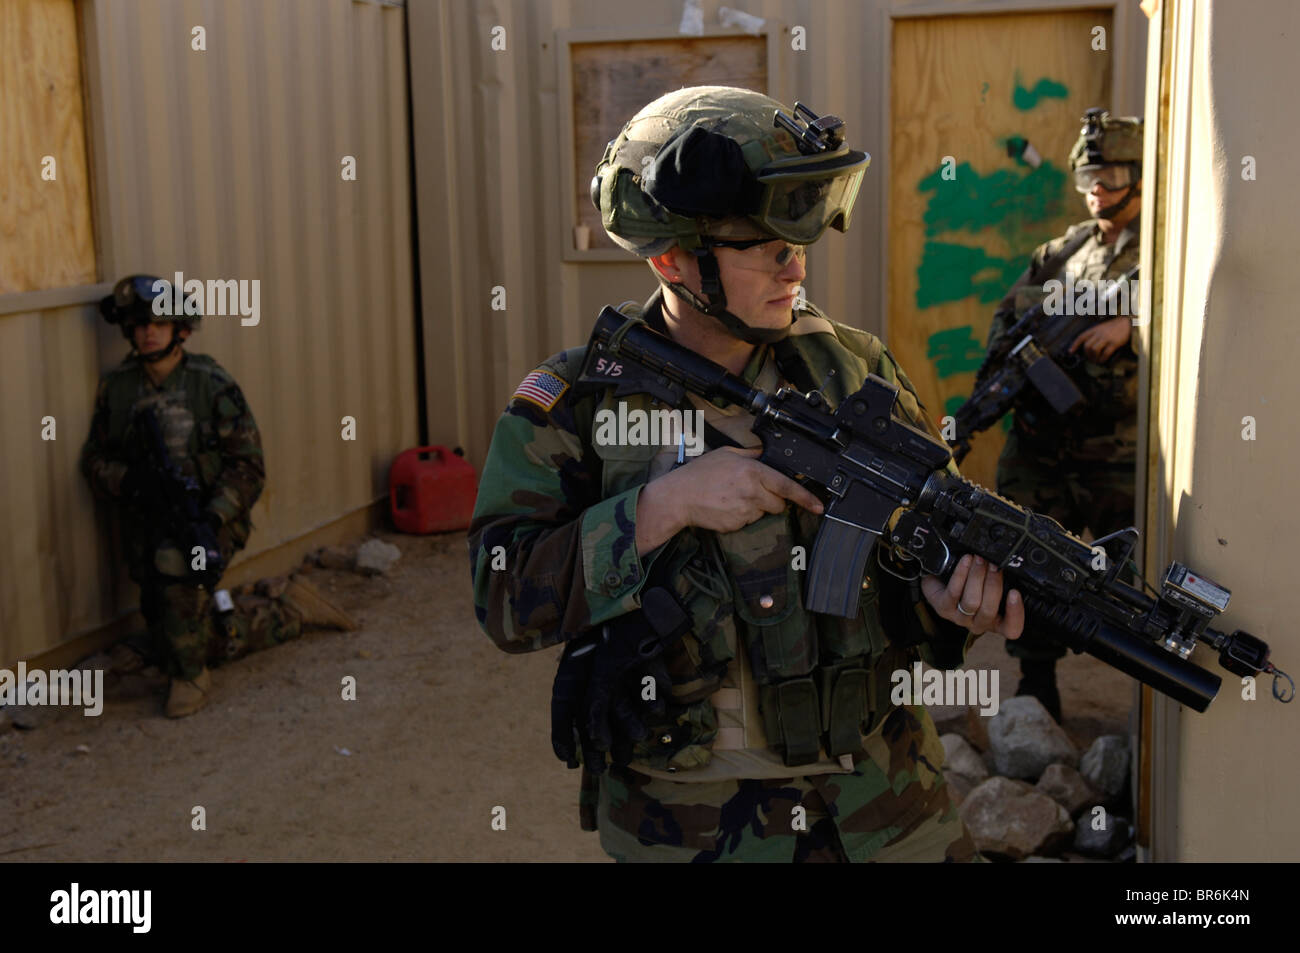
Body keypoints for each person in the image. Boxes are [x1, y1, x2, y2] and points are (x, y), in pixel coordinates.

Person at [469, 87, 1025, 863]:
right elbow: (505, 597)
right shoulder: (577, 402)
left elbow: (922, 531)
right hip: (697, 826)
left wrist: (942, 597)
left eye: (796, 243)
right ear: (673, 260)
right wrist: (661, 506)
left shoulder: (852, 369)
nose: (794, 267)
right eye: (765, 246)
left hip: (886, 799)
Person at [81, 275, 353, 718]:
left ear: (180, 330)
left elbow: (248, 466)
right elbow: (94, 460)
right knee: (171, 622)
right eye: (139, 324)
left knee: (179, 588)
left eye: (159, 323)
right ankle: (269, 614)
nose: (148, 331)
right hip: (146, 524)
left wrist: (212, 517)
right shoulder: (118, 389)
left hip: (209, 523)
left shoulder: (211, 384)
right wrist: (128, 482)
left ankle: (198, 669)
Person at [984, 109, 1144, 723]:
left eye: (1108, 177)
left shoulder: (1166, 253)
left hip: (1117, 452)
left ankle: (1150, 695)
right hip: (1043, 446)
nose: (1097, 191)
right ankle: (1037, 683)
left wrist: (1134, 324)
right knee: (1028, 561)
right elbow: (1007, 323)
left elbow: (1197, 307)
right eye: (1087, 180)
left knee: (1134, 577)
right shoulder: (1064, 251)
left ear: (1135, 175)